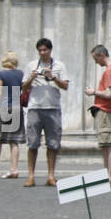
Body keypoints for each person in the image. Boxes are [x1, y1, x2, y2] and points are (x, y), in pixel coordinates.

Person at [23, 38, 69, 188]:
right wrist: (32, 77)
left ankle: (51, 175)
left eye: (45, 50)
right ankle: (31, 176)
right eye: (40, 50)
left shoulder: (59, 65)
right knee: (32, 143)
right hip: (34, 108)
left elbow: (65, 86)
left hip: (53, 108)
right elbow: (23, 88)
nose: (43, 53)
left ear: (50, 50)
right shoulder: (31, 65)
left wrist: (53, 77)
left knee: (53, 144)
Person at [83, 44, 111, 186]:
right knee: (105, 144)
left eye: (95, 58)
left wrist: (93, 92)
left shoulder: (109, 72)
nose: (95, 62)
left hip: (106, 110)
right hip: (107, 110)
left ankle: (110, 176)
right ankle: (107, 175)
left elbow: (108, 93)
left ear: (101, 55)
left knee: (109, 145)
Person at [0, 51, 25, 179]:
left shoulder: (1, 74)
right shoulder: (21, 74)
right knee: (14, 141)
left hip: (4, 107)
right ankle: (14, 169)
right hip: (17, 107)